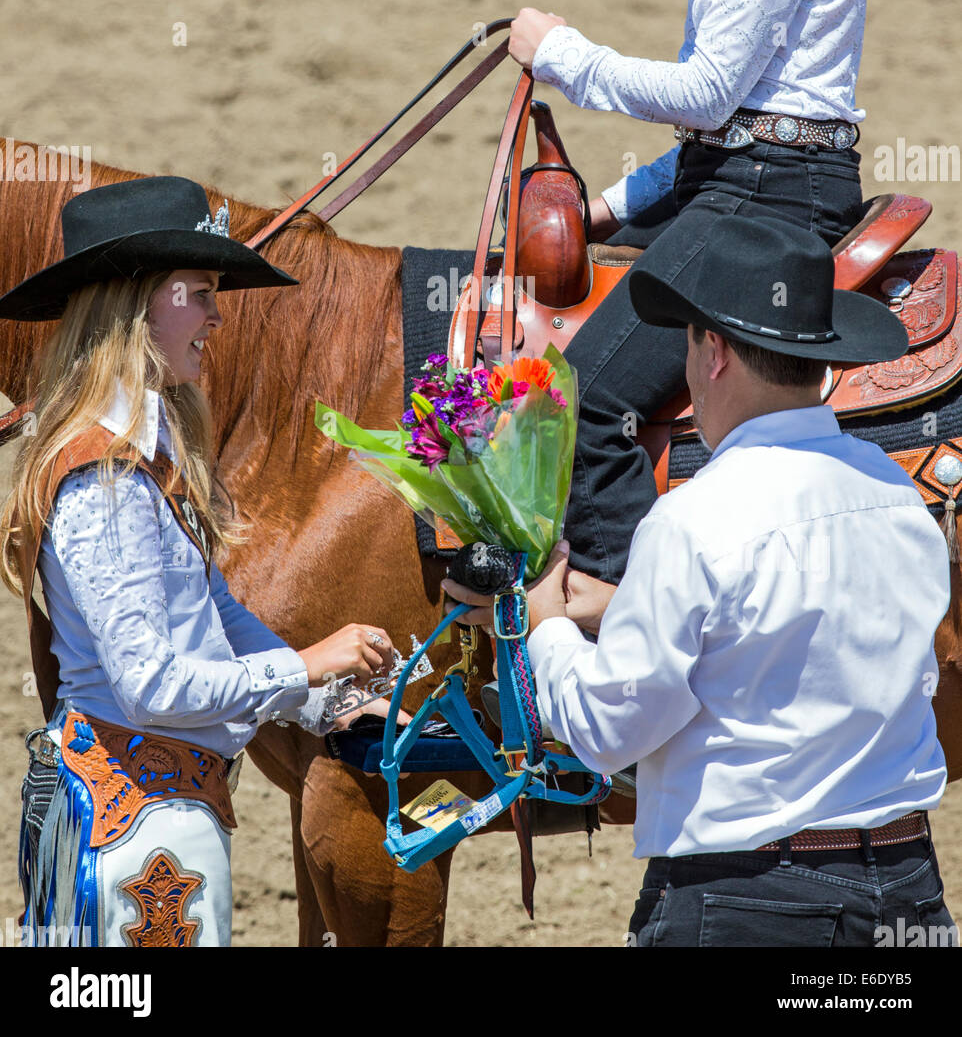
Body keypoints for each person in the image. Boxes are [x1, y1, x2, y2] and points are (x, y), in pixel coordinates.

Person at [444, 216, 958, 947]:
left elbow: (604, 732)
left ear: (713, 350)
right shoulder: (898, 494)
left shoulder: (692, 522)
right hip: (908, 892)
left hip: (749, 902)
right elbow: (806, 632)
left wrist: (544, 624)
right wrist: (628, 607)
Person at [508, 0, 872, 584]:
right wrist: (620, 202)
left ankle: (633, 620)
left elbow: (710, 96)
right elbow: (743, 121)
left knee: (582, 400)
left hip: (764, 195)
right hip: (752, 177)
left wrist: (562, 54)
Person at [0, 176, 401, 948]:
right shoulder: (104, 479)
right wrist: (311, 664)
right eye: (201, 292)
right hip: (139, 827)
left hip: (150, 813)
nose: (219, 316)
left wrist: (326, 702)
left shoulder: (143, 464)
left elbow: (216, 615)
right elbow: (154, 684)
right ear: (136, 302)